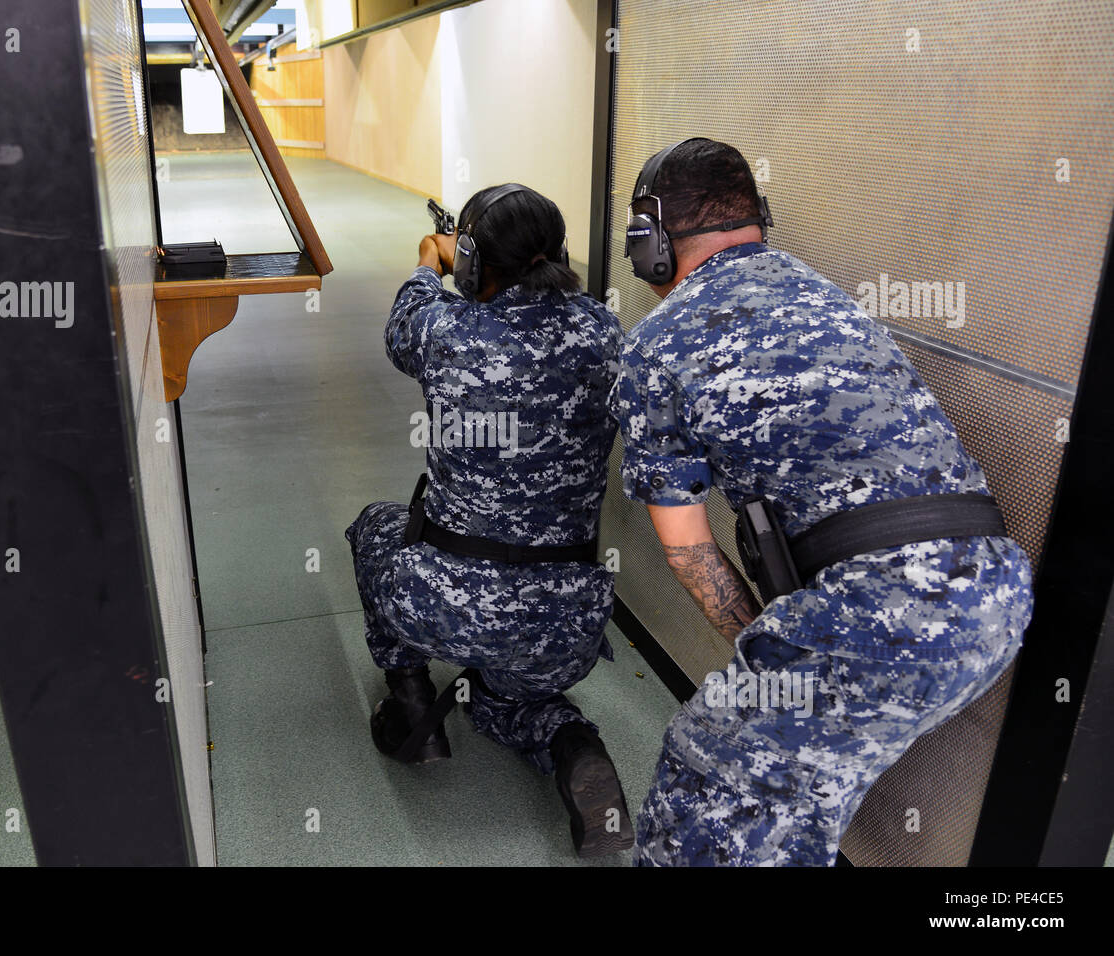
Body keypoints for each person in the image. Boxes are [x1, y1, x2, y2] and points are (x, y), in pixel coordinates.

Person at [613, 138, 1034, 866]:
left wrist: (759, 643)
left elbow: (689, 550)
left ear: (650, 243)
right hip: (995, 595)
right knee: (796, 800)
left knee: (700, 803)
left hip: (883, 613)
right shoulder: (822, 290)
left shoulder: (659, 342)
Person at [345, 183, 632, 856]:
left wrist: (428, 259)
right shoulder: (605, 331)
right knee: (515, 696)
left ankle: (414, 702)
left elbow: (402, 322)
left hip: (441, 604)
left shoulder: (443, 328)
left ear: (471, 262)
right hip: (562, 623)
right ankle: (572, 743)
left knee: (373, 526)